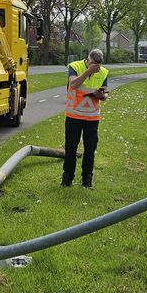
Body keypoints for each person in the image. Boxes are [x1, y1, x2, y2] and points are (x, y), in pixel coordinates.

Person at [62, 49, 109, 189]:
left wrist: (102, 95)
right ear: (88, 60)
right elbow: (74, 84)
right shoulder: (75, 66)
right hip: (74, 115)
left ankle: (87, 180)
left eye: (98, 66)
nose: (96, 68)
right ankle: (67, 179)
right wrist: (88, 71)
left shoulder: (104, 72)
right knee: (71, 148)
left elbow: (105, 93)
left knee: (90, 149)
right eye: (94, 65)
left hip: (92, 117)